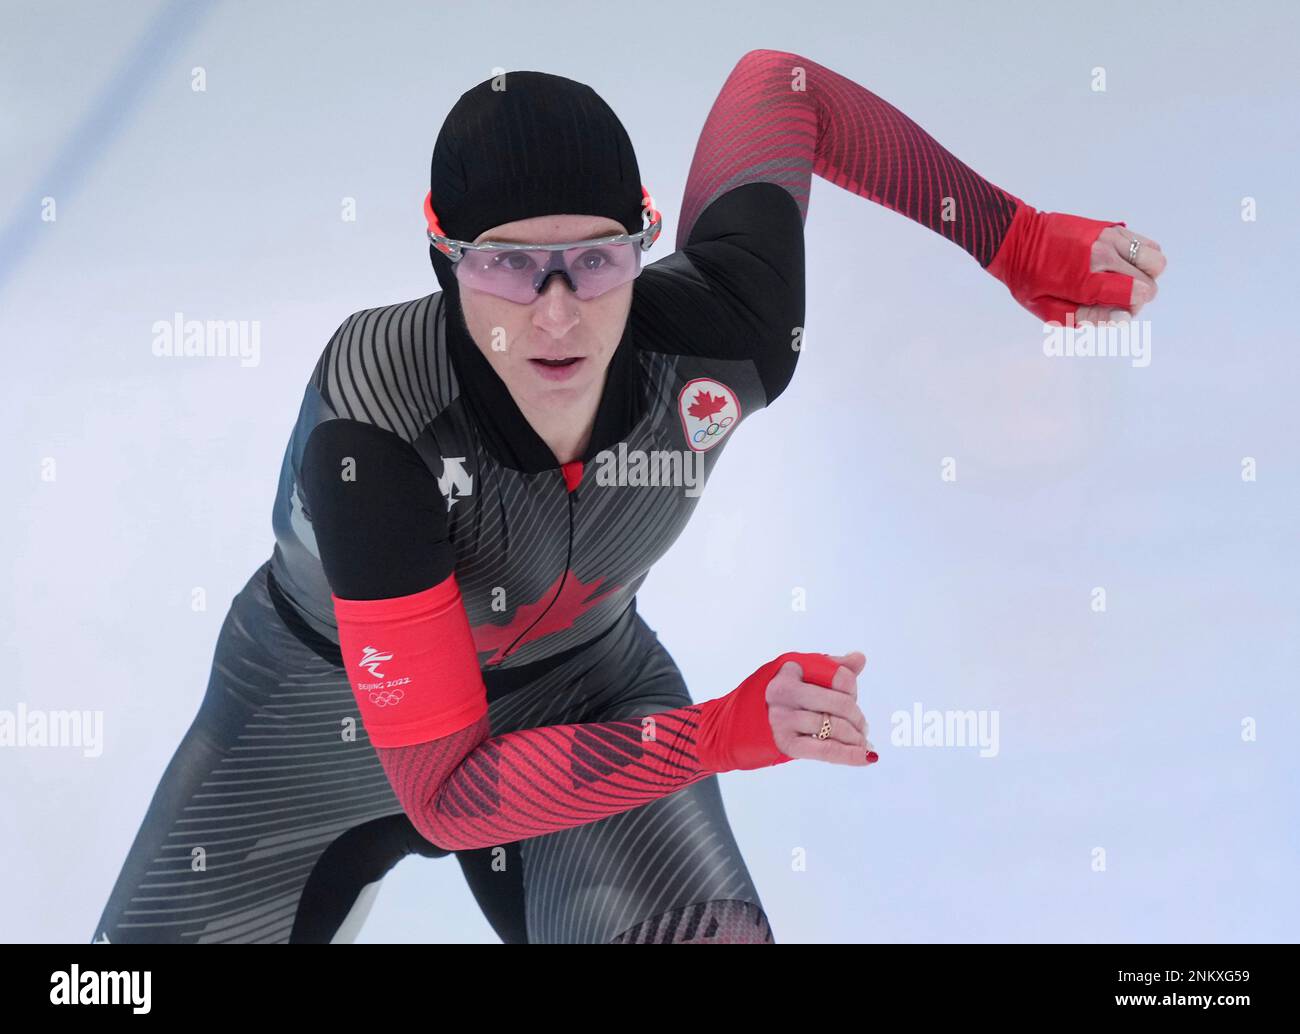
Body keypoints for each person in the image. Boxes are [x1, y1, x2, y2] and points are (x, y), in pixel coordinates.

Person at [92, 49, 1165, 945]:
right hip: (305, 731)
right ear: (443, 258)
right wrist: (719, 733)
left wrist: (1014, 239)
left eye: (596, 260)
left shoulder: (721, 332)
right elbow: (450, 791)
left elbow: (782, 85)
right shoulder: (378, 423)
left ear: (644, 240)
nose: (557, 315)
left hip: (583, 696)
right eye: (511, 267)